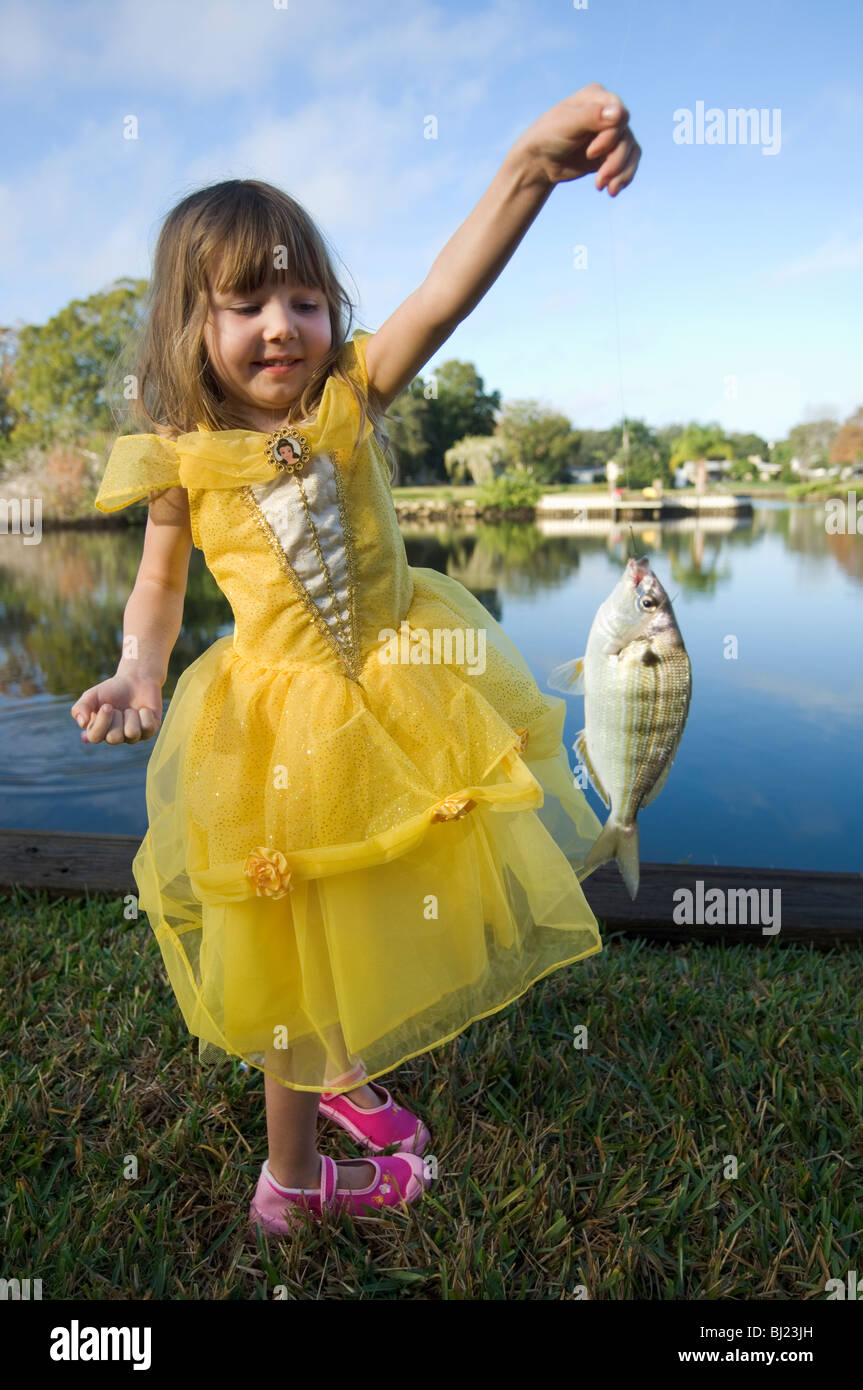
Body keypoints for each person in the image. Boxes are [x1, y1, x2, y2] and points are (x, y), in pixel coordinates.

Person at [71, 83, 641, 1235]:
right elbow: (158, 583)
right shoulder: (180, 462)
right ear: (191, 325)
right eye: (245, 303)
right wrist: (138, 668)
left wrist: (528, 169)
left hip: (399, 681)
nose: (281, 324)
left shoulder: (351, 399)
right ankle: (293, 1182)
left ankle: (339, 1076)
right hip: (273, 727)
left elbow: (446, 289)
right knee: (289, 943)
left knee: (357, 909)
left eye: (303, 296)